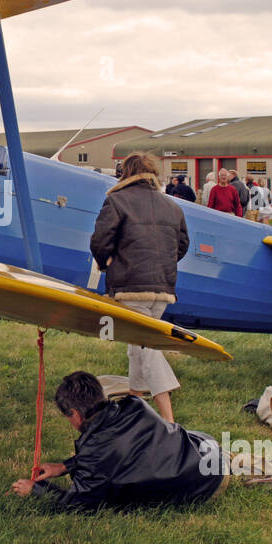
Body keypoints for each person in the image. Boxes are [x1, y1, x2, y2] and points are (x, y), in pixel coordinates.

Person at [9, 371, 226, 508]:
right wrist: (64, 467)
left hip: (206, 486)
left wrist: (36, 489)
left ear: (75, 414)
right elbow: (117, 453)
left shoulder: (96, 455)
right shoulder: (133, 404)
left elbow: (79, 502)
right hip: (206, 450)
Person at [90, 153, 189, 422]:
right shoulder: (172, 206)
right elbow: (182, 246)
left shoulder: (116, 201)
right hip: (163, 290)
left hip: (130, 287)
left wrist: (106, 262)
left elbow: (100, 241)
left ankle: (168, 420)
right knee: (138, 345)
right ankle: (134, 400)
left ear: (126, 173)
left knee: (146, 347)